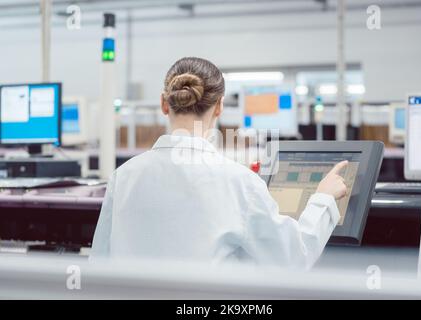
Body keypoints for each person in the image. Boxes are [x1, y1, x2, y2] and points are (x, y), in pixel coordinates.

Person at [91, 57, 347, 269]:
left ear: (163, 104)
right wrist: (323, 199)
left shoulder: (123, 176)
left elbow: (99, 266)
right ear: (219, 107)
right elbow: (294, 259)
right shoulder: (239, 182)